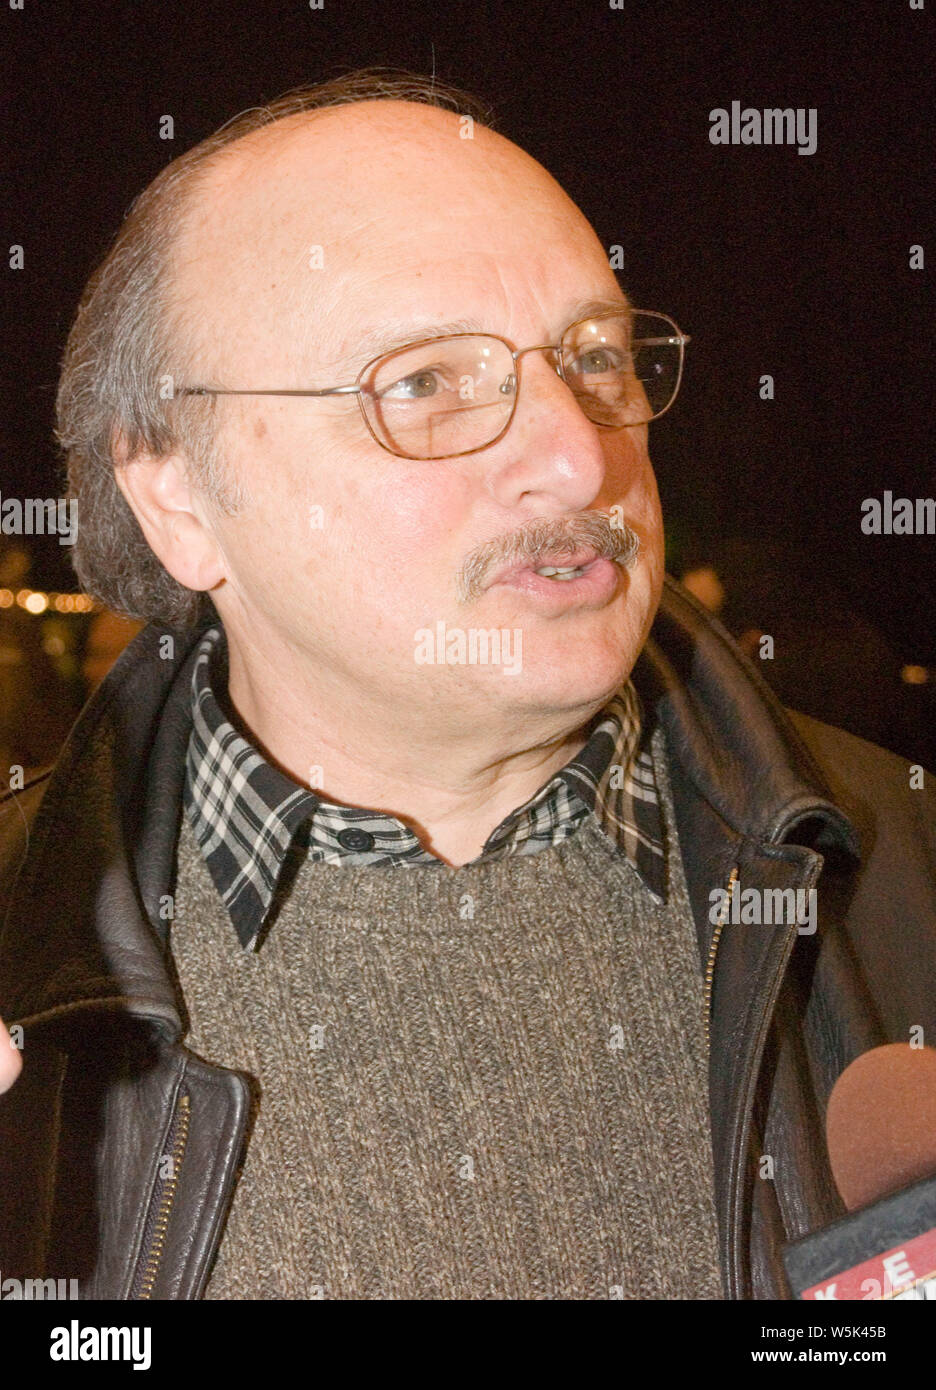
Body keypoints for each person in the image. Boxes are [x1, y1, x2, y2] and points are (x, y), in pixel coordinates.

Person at [1, 69, 933, 1302]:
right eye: (426, 383)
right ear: (177, 493)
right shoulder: (21, 949)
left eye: (595, 356)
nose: (574, 452)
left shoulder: (906, 869)